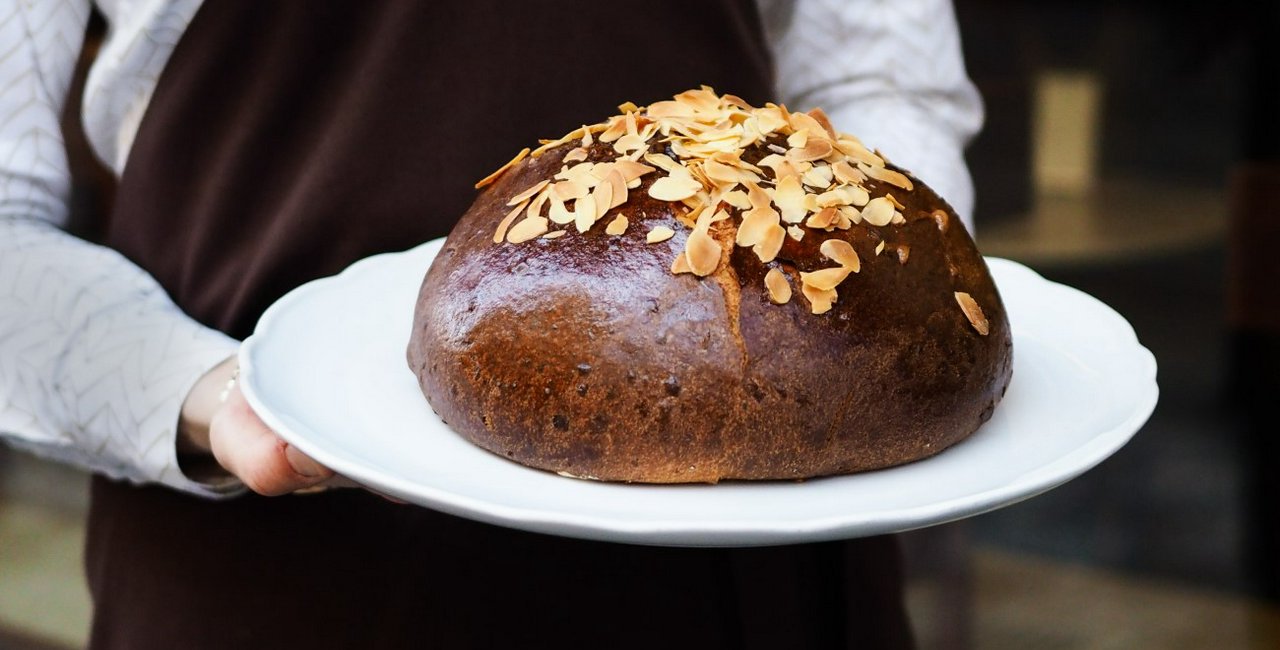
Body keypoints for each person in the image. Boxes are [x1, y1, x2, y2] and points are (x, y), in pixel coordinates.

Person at [0, 1, 982, 648]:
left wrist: (898, 340)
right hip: (269, 569)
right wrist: (209, 395)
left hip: (753, 554)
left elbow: (878, 87)